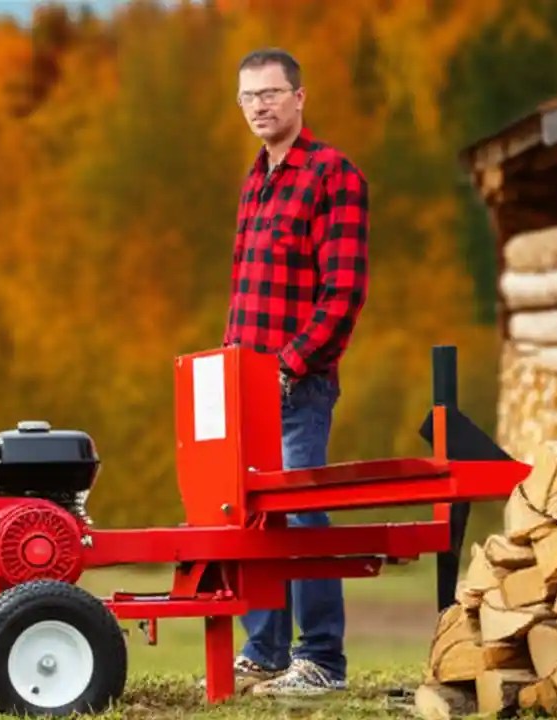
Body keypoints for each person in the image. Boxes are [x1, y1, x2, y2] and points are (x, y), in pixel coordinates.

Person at [220, 47, 369, 696]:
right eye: (249, 96)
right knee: (252, 519)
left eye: (272, 93)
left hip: (296, 386)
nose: (260, 105)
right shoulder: (256, 179)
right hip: (242, 387)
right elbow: (245, 295)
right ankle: (265, 652)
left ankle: (323, 663)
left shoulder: (333, 175)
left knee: (304, 516)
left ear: (300, 98)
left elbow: (343, 295)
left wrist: (287, 366)